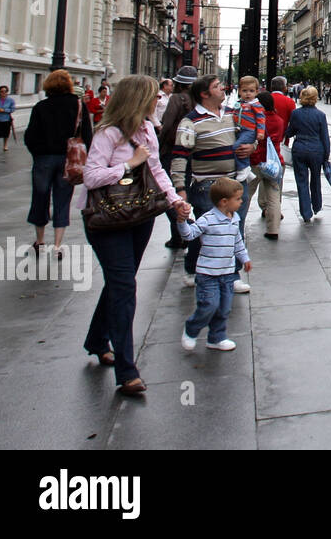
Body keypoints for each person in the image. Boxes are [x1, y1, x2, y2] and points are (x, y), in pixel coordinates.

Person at [80, 75, 192, 396]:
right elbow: (90, 177)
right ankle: (127, 370)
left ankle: (97, 340)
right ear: (136, 99)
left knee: (121, 281)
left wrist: (175, 201)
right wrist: (129, 164)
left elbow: (157, 170)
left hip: (139, 216)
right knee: (124, 286)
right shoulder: (108, 133)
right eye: (152, 97)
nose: (158, 101)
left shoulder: (146, 130)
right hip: (108, 219)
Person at [171, 76, 255, 292]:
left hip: (235, 182)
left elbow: (248, 134)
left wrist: (251, 146)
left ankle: (232, 275)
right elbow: (180, 155)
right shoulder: (190, 122)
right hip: (207, 186)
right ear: (204, 94)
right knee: (206, 230)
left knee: (234, 228)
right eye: (216, 87)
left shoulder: (231, 114)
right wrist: (180, 187)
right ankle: (193, 269)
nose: (222, 89)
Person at [24, 69, 93, 256]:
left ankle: (39, 241)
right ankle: (57, 245)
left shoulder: (41, 106)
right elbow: (87, 134)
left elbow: (30, 136)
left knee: (40, 197)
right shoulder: (77, 105)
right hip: (68, 159)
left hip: (44, 158)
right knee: (62, 200)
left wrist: (38, 152)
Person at [177, 177, 251, 352]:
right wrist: (182, 222)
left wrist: (244, 258)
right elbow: (189, 235)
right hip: (208, 273)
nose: (241, 202)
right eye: (238, 199)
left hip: (227, 273)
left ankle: (216, 337)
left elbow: (237, 241)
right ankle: (191, 328)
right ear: (224, 202)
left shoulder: (234, 218)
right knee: (209, 305)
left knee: (224, 308)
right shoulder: (208, 219)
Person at [156, 66, 197, 250]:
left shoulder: (176, 98)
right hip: (191, 151)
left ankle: (182, 230)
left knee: (169, 193)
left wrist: (159, 145)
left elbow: (167, 124)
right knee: (183, 189)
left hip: (172, 150)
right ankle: (179, 234)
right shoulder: (198, 99)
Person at [285, 86, 330, 224]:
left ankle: (306, 212)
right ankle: (316, 206)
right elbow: (325, 138)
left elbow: (289, 132)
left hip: (299, 149)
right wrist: (326, 155)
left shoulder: (296, 114)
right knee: (316, 179)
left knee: (301, 181)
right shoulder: (321, 115)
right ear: (315, 98)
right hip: (316, 150)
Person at [253, 91, 286, 239]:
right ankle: (273, 230)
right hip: (274, 163)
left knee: (246, 194)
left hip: (256, 161)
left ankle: (236, 226)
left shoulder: (257, 120)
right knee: (274, 197)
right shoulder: (279, 120)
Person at [227, 76, 265, 185]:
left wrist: (260, 132)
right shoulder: (240, 103)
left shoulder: (256, 105)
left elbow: (261, 118)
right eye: (244, 91)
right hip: (239, 130)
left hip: (249, 131)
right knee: (241, 149)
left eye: (251, 91)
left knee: (237, 147)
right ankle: (246, 171)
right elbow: (234, 114)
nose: (248, 94)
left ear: (257, 92)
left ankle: (243, 168)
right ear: (239, 91)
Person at [0, 84, 15, 152]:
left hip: (6, 119)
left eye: (5, 91)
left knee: (6, 133)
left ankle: (5, 146)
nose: (3, 93)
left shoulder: (11, 100)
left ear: (7, 92)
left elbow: (12, 109)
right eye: (1, 91)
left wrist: (4, 110)